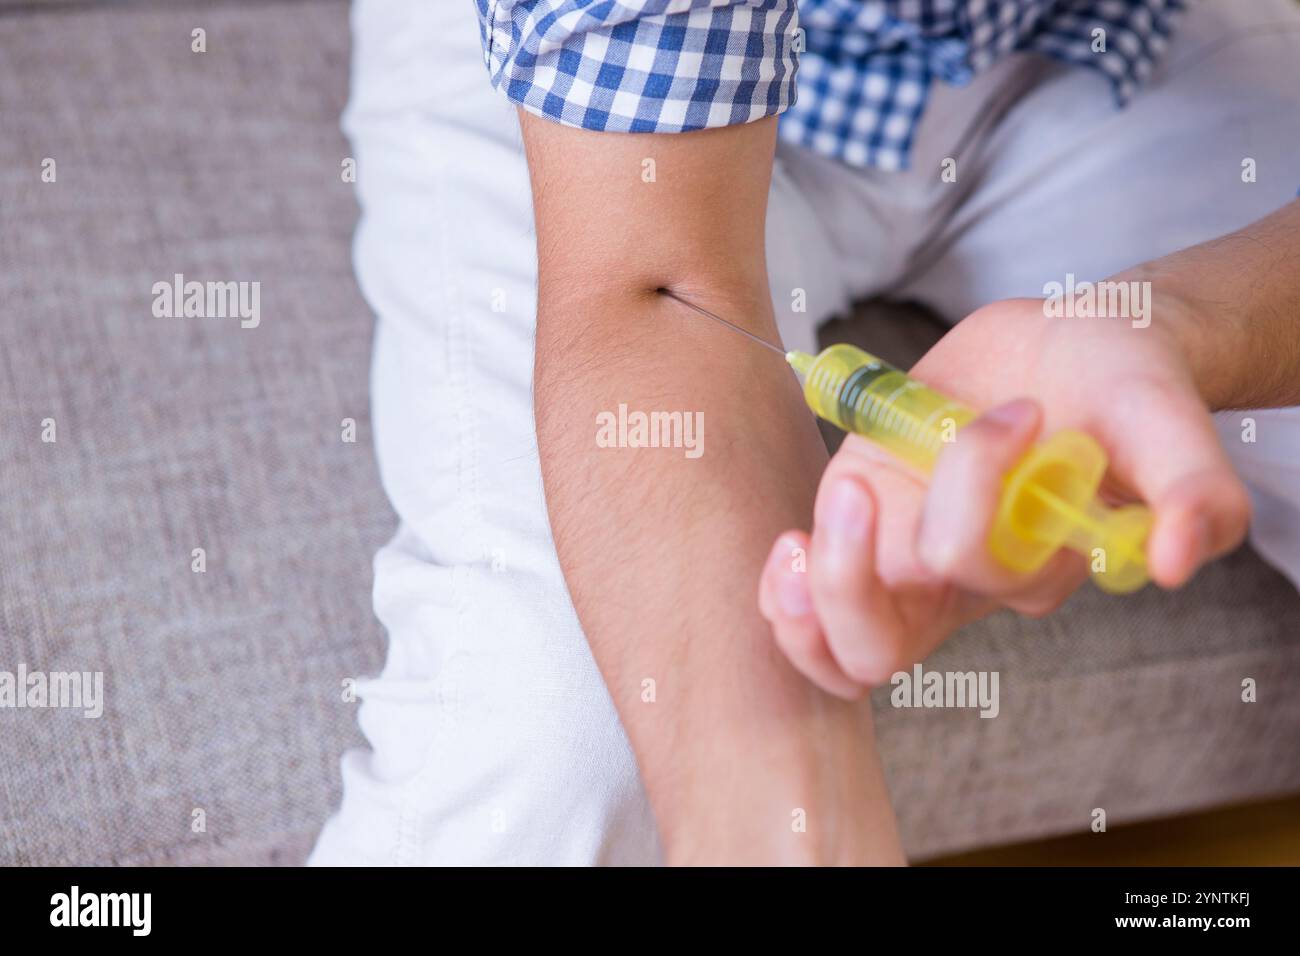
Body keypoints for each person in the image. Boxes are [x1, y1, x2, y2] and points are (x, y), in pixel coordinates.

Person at [310, 0, 1300, 865]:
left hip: (1074, 44)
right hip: (596, 115)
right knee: (559, 725)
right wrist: (789, 815)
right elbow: (655, 280)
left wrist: (1187, 321)